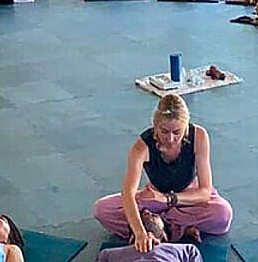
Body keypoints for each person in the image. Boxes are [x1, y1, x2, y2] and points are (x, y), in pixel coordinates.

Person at [93, 94, 232, 247]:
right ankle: (177, 227)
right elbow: (128, 194)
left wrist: (167, 199)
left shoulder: (199, 136)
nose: (170, 138)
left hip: (189, 198)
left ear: (186, 126)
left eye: (177, 132)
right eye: (164, 131)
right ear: (155, 126)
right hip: (154, 199)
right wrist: (140, 233)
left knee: (223, 214)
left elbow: (205, 192)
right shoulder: (141, 148)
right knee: (102, 210)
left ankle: (159, 226)